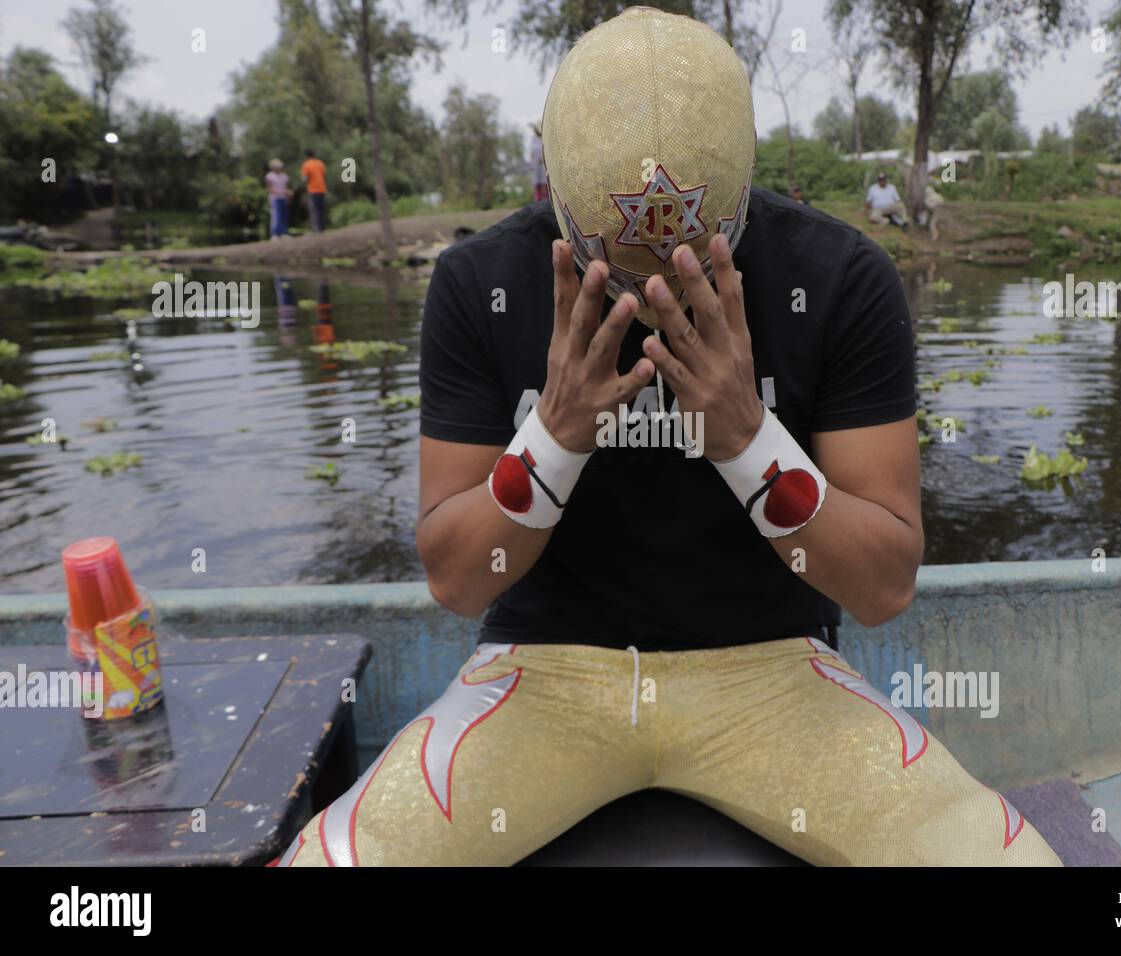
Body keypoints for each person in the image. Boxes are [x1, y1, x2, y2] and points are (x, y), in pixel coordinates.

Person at [274, 8, 1061, 868]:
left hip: (771, 673)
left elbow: (881, 589)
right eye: (613, 267)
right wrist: (554, 437)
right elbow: (458, 581)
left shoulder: (839, 277)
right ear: (556, 186)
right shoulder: (482, 281)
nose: (650, 295)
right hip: (547, 671)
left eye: (688, 257)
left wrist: (749, 443)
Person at [300, 149, 328, 233]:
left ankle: (316, 229)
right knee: (321, 209)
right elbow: (324, 174)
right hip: (322, 188)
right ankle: (323, 227)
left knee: (314, 210)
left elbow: (304, 179)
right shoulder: (320, 163)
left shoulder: (306, 165)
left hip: (312, 190)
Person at [264, 159, 291, 240]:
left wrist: (288, 193)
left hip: (283, 198)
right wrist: (280, 192)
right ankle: (275, 234)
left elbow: (286, 188)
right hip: (275, 199)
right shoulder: (269, 176)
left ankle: (284, 233)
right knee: (276, 216)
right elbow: (269, 189)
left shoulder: (284, 176)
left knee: (284, 216)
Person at [529, 122, 549, 202]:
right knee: (537, 180)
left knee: (544, 180)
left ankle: (546, 198)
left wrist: (543, 158)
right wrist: (531, 163)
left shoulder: (544, 138)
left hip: (544, 164)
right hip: (536, 164)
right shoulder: (533, 139)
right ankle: (538, 199)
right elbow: (531, 152)